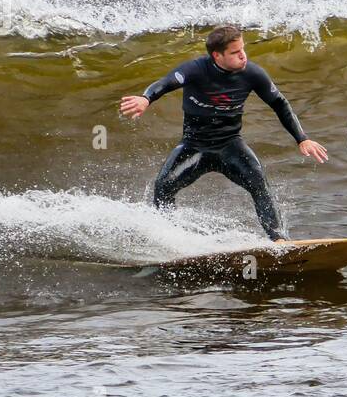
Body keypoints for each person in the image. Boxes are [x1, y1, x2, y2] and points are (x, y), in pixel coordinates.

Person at [119, 25, 328, 240]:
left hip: (230, 146)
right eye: (235, 53)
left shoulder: (252, 74)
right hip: (194, 147)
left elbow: (279, 103)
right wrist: (146, 98)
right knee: (163, 188)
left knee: (260, 185)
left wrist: (302, 138)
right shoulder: (195, 69)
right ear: (217, 55)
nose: (243, 56)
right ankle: (169, 239)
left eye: (243, 50)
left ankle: (279, 241)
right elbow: (166, 82)